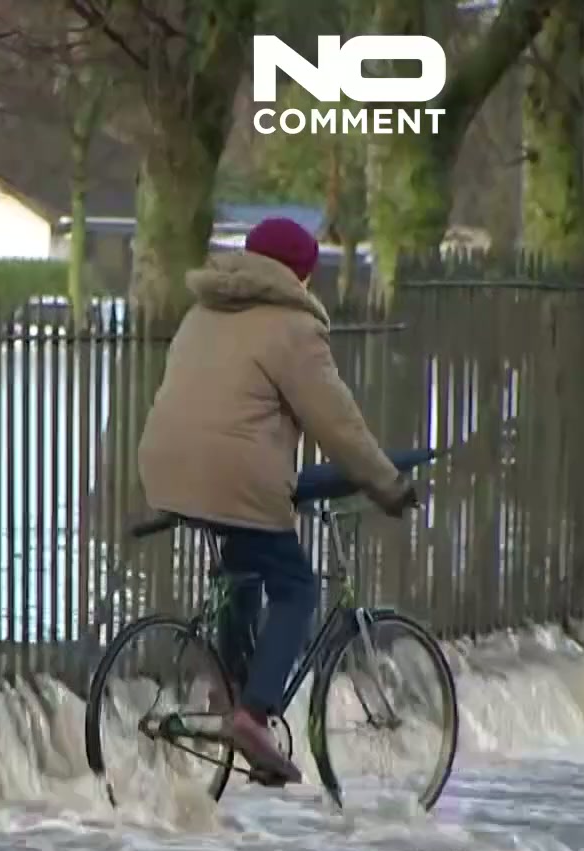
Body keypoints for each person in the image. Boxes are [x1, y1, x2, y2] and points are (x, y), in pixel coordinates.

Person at [137, 217, 417, 786]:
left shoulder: (203, 309)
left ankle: (227, 688)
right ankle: (253, 714)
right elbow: (337, 424)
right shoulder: (293, 327)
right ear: (305, 274)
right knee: (295, 586)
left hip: (167, 465)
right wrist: (386, 485)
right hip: (235, 474)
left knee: (242, 568)